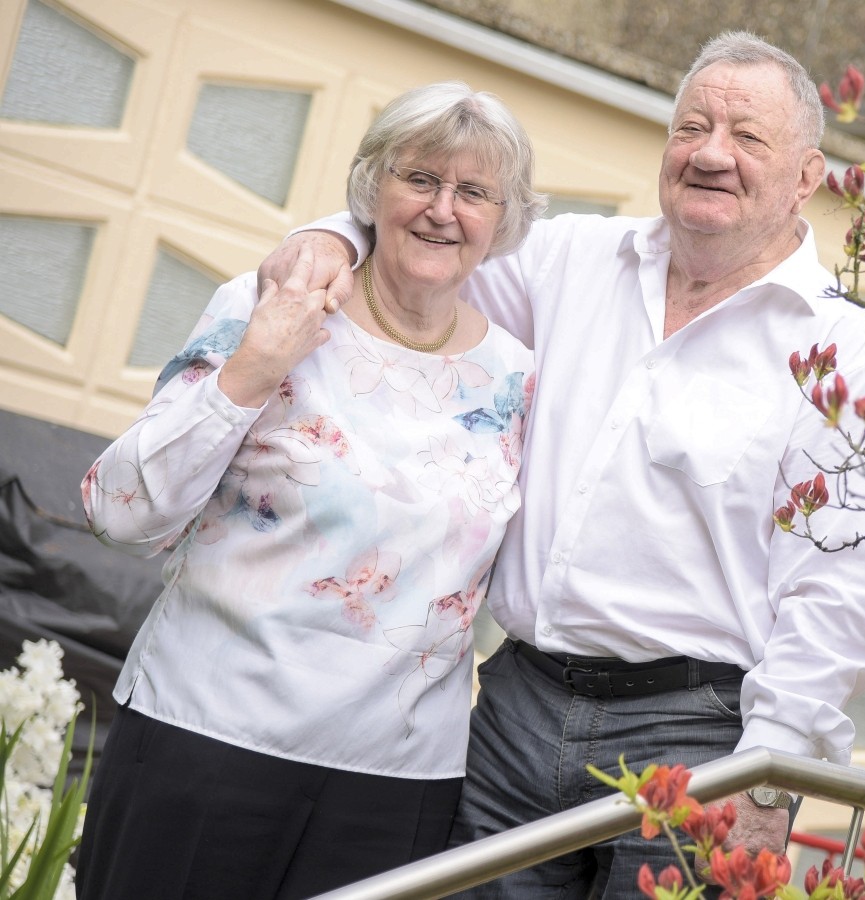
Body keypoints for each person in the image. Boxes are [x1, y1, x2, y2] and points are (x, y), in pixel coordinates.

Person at [265, 31, 865, 898]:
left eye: (748, 137)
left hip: (700, 739)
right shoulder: (569, 260)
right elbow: (428, 250)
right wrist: (332, 239)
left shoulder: (841, 354)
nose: (710, 153)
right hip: (516, 709)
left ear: (806, 178)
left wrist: (769, 776)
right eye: (692, 127)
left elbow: (835, 598)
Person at [76, 82, 544, 899]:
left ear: (502, 220)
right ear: (370, 186)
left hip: (398, 785)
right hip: (207, 737)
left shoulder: (518, 377)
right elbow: (122, 512)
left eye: (473, 192)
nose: (443, 209)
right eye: (419, 179)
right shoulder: (274, 306)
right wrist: (254, 367)